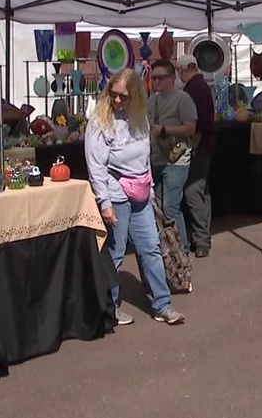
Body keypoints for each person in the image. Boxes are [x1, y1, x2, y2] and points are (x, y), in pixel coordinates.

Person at [85, 68, 185, 325]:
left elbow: (145, 157)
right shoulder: (100, 121)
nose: (117, 101)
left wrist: (149, 189)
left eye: (124, 96)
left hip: (141, 193)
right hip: (116, 193)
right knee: (116, 253)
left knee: (151, 248)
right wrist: (104, 202)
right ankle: (111, 306)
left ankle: (162, 305)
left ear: (136, 96)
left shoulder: (141, 118)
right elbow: (95, 165)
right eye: (114, 94)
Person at [147, 58, 197, 243]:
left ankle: (181, 249)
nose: (156, 82)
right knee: (160, 208)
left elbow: (190, 128)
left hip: (177, 160)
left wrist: (165, 130)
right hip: (157, 159)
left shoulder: (183, 99)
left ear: (172, 78)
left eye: (161, 78)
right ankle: (169, 247)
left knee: (171, 207)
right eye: (154, 78)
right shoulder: (151, 101)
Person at [176, 54, 215, 258]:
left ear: (182, 69)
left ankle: (201, 239)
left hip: (200, 145)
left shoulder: (194, 89)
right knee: (201, 190)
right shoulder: (202, 86)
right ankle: (203, 236)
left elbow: (200, 124)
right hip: (206, 145)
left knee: (192, 191)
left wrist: (193, 148)